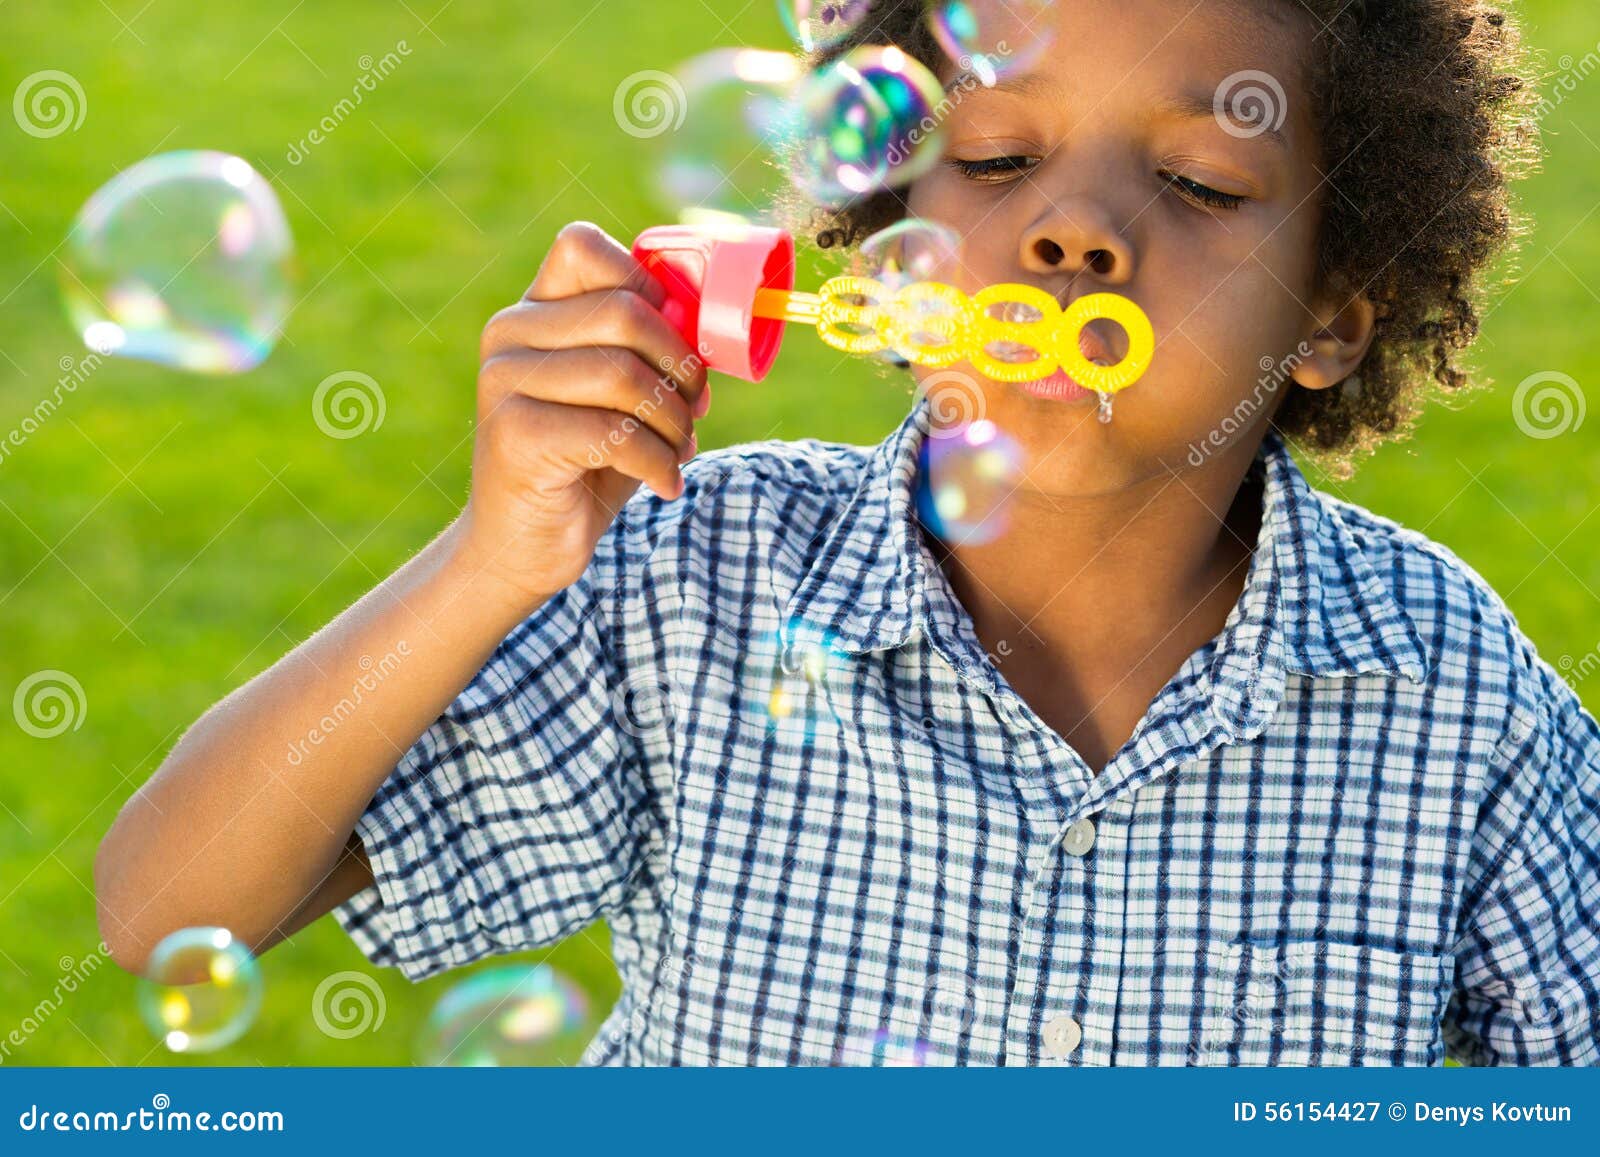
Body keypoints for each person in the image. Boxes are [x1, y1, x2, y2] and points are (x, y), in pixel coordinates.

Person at [95, 0, 1599, 1065]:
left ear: (1334, 315)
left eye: (1202, 182)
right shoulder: (707, 578)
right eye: (999, 160)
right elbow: (169, 906)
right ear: (886, 240)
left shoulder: (1453, 694)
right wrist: (497, 557)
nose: (1076, 236)